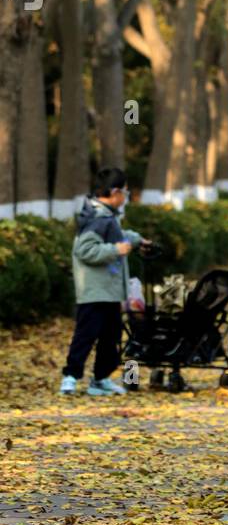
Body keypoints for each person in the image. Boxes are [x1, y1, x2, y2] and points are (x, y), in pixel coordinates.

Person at [60, 167, 148, 396]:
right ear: (115, 192)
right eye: (126, 193)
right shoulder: (97, 218)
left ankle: (100, 379)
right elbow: (84, 250)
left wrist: (138, 241)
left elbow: (119, 235)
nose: (126, 198)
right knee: (86, 335)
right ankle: (70, 378)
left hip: (109, 290)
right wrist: (115, 250)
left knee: (111, 336)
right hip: (94, 289)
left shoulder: (106, 215)